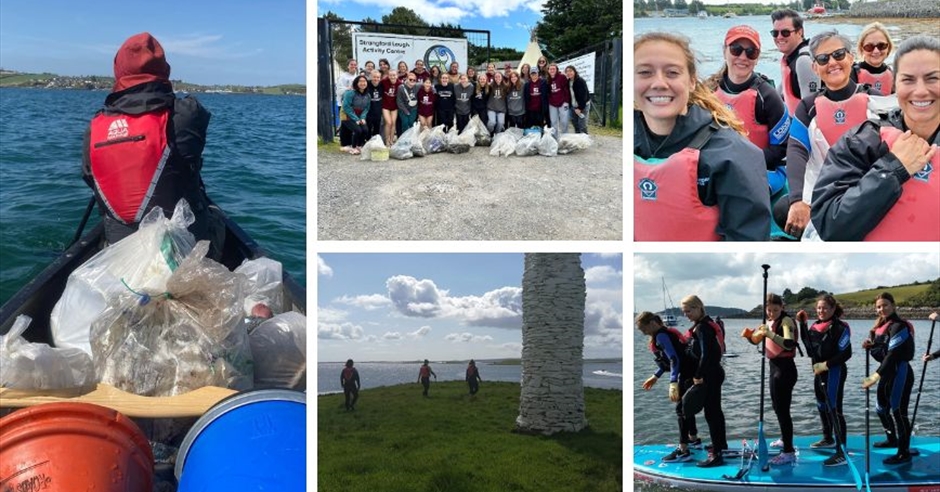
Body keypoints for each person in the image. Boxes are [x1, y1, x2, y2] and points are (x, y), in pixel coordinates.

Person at [83, 32, 224, 256]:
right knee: (216, 215)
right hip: (183, 253)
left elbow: (90, 178)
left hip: (122, 249)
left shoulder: (95, 128)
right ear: (164, 70)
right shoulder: (188, 114)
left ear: (118, 71)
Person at [633, 32, 770, 241]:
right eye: (644, 72)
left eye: (672, 73)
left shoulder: (731, 153)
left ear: (691, 81)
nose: (659, 83)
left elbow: (748, 238)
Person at [811, 35, 939, 242]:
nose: (921, 91)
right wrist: (893, 169)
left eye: (933, 78)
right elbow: (829, 223)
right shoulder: (862, 142)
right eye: (908, 80)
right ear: (895, 85)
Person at [782, 30, 882, 240]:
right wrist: (796, 200)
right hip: (822, 191)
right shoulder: (807, 107)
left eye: (838, 54)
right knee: (783, 210)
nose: (832, 62)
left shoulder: (876, 100)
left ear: (851, 57)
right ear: (815, 68)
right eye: (823, 58)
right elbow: (796, 150)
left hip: (866, 187)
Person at [704, 26, 790, 208]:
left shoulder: (767, 96)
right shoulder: (709, 91)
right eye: (736, 49)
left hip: (767, 170)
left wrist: (740, 164)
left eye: (751, 52)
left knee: (738, 194)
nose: (743, 57)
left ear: (757, 58)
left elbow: (782, 150)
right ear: (724, 51)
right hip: (720, 167)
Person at [636, 312, 701, 463]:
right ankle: (693, 439)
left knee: (681, 409)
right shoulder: (663, 334)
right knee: (687, 407)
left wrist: (673, 382)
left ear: (652, 323)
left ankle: (683, 450)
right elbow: (668, 361)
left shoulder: (661, 336)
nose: (642, 332)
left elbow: (674, 359)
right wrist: (656, 375)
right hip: (689, 372)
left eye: (643, 328)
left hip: (687, 374)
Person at [743, 294, 798, 466]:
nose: (772, 313)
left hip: (785, 369)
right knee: (777, 407)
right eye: (769, 310)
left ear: (782, 307)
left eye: (776, 309)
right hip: (774, 368)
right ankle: (784, 440)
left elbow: (789, 344)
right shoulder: (767, 323)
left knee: (782, 410)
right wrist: (749, 337)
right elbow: (757, 340)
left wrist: (770, 334)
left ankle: (788, 452)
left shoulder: (786, 321)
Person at [798, 294, 853, 466]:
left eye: (825, 308)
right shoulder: (815, 326)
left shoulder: (840, 327)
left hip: (834, 371)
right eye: (819, 308)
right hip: (819, 372)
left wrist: (827, 365)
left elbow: (846, 353)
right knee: (821, 404)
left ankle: (842, 452)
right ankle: (828, 438)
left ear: (833, 309)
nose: (821, 311)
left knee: (834, 409)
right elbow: (809, 349)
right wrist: (802, 324)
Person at [862, 292, 916, 465]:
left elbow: (892, 354)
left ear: (893, 305)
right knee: (881, 408)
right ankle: (892, 439)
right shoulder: (879, 327)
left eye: (885, 305)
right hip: (887, 373)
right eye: (878, 306)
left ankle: (904, 452)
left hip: (900, 372)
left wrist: (875, 376)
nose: (881, 309)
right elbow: (881, 351)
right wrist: (870, 346)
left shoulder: (899, 326)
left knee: (899, 412)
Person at [680, 295, 727, 467]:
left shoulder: (702, 328)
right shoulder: (705, 325)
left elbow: (707, 355)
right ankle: (721, 444)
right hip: (714, 372)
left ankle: (717, 455)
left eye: (689, 310)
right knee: (716, 412)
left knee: (711, 414)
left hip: (709, 374)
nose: (687, 315)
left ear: (699, 307)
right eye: (684, 312)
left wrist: (698, 375)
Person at [770, 9, 821, 117]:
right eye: (775, 33)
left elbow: (811, 109)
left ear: (799, 32)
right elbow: (779, 93)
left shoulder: (804, 61)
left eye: (785, 32)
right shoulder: (790, 58)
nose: (779, 37)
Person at [851, 22, 895, 96]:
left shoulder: (893, 75)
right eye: (869, 47)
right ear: (862, 49)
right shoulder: (852, 74)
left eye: (881, 45)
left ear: (889, 47)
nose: (876, 51)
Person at [341, 75, 371, 155]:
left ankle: (359, 146)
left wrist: (362, 117)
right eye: (360, 81)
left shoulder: (368, 95)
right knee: (358, 130)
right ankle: (353, 148)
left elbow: (366, 108)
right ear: (356, 83)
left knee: (365, 130)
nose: (362, 83)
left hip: (360, 116)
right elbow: (346, 107)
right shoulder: (350, 93)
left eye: (364, 81)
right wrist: (356, 119)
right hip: (348, 116)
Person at [336, 58, 359, 150]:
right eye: (351, 64)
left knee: (351, 124)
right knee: (345, 124)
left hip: (354, 105)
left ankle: (350, 143)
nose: (353, 66)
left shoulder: (357, 77)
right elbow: (338, 90)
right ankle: (344, 144)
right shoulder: (343, 77)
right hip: (343, 104)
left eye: (355, 64)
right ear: (348, 66)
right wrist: (348, 89)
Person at [547, 63, 571, 138]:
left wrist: (566, 101)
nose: (552, 70)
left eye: (554, 69)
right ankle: (555, 138)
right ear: (548, 70)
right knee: (553, 121)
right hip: (552, 103)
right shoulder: (548, 79)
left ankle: (565, 138)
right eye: (550, 69)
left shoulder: (562, 77)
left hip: (563, 102)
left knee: (564, 121)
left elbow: (567, 89)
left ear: (557, 70)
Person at [566, 65, 590, 134]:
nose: (569, 73)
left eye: (570, 71)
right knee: (575, 123)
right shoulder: (568, 82)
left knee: (582, 124)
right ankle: (578, 139)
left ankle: (585, 141)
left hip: (583, 106)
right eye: (567, 71)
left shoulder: (580, 81)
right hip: (573, 106)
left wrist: (580, 108)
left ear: (575, 72)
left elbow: (584, 96)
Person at [380, 70, 401, 145]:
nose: (392, 77)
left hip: (394, 106)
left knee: (393, 123)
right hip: (385, 105)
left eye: (394, 75)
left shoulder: (400, 83)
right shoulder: (384, 81)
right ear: (388, 76)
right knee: (388, 123)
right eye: (391, 75)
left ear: (397, 75)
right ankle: (387, 140)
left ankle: (391, 140)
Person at [366, 70, 384, 139]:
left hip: (378, 110)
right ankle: (367, 141)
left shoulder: (382, 85)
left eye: (378, 77)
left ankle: (375, 142)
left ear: (380, 78)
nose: (376, 79)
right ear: (370, 77)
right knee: (368, 127)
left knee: (377, 128)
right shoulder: (367, 84)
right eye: (374, 77)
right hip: (368, 111)